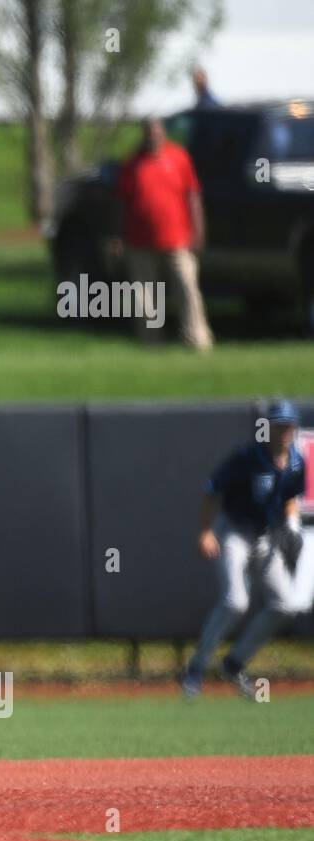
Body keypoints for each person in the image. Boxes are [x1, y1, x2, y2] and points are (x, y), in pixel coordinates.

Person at [184, 400, 307, 699]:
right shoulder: (248, 457)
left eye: (289, 425)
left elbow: (290, 497)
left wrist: (291, 524)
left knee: (285, 605)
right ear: (269, 428)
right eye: (279, 425)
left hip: (267, 536)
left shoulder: (295, 462)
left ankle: (233, 663)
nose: (285, 431)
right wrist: (205, 531)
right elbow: (211, 489)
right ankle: (196, 668)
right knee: (235, 601)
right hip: (235, 532)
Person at [117, 117, 214, 351]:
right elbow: (121, 203)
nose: (153, 135)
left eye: (157, 131)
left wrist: (198, 230)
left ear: (163, 133)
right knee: (146, 296)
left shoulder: (179, 157)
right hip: (139, 240)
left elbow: (193, 195)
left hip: (178, 238)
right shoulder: (132, 164)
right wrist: (118, 236)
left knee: (187, 287)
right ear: (144, 134)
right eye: (149, 132)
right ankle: (151, 342)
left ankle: (196, 339)